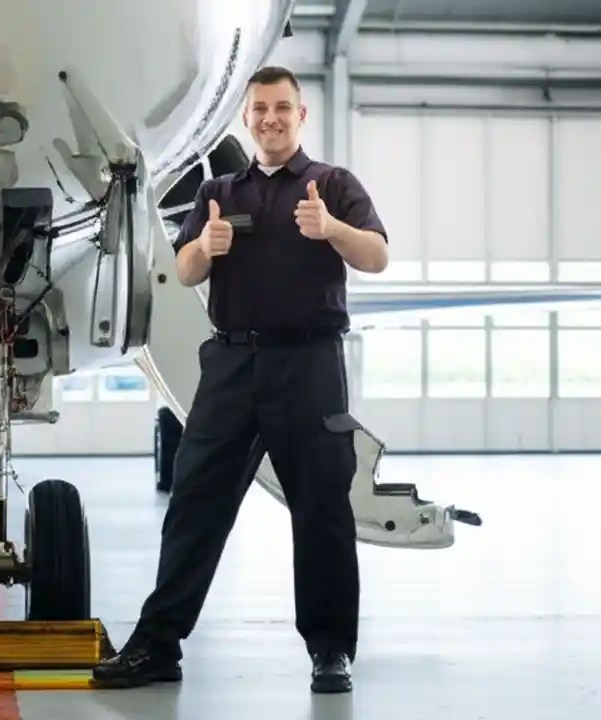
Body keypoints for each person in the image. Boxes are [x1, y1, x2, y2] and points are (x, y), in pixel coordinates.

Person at [91, 65, 389, 694]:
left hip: (309, 366)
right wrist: (206, 245)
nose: (270, 119)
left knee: (321, 511)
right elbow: (186, 271)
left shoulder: (333, 184)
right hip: (230, 366)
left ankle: (330, 651)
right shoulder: (218, 191)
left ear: (300, 115)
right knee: (194, 506)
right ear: (247, 118)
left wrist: (332, 229)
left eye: (282, 108)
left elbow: (377, 256)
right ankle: (158, 646)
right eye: (260, 109)